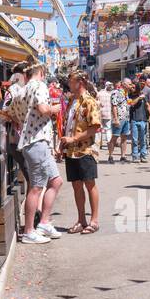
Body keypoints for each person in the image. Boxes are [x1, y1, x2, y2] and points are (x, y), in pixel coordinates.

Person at [10, 64, 64, 243]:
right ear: (41, 73)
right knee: (36, 188)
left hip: (33, 141)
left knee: (56, 181)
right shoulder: (39, 86)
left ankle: (44, 222)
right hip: (37, 141)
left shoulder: (21, 90)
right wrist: (54, 109)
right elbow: (43, 109)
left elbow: (12, 114)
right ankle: (29, 231)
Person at [60, 71, 102, 234]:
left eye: (71, 81)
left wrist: (74, 139)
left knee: (89, 184)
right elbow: (68, 125)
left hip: (86, 149)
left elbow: (95, 127)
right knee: (76, 186)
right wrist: (62, 145)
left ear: (80, 82)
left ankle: (94, 220)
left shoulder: (89, 101)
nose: (68, 84)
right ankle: (81, 220)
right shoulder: (72, 100)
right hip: (71, 150)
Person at [129, 75, 150, 162]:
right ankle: (135, 156)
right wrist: (139, 98)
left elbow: (147, 105)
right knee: (135, 139)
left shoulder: (144, 94)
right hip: (134, 119)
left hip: (143, 119)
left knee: (143, 139)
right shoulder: (131, 95)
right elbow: (131, 104)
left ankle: (143, 155)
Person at [108, 79, 130, 162]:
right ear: (124, 84)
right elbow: (114, 106)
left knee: (124, 137)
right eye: (129, 84)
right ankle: (110, 156)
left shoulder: (126, 93)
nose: (131, 85)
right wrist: (116, 119)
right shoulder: (115, 92)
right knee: (115, 136)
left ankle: (123, 156)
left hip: (126, 118)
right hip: (119, 118)